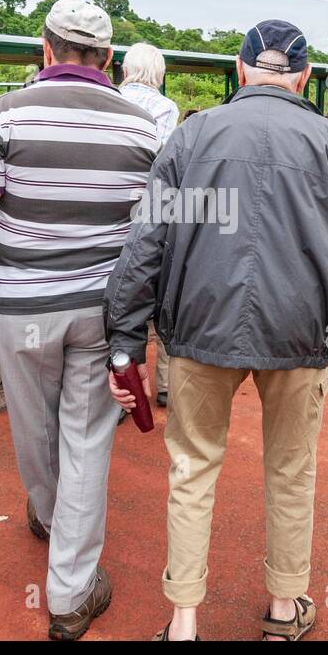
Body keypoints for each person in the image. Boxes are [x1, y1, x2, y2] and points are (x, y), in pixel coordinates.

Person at [105, 18, 328, 642]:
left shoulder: (193, 134)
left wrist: (125, 341)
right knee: (291, 470)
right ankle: (284, 611)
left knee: (192, 468)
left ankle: (183, 623)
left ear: (240, 71)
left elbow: (145, 246)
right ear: (304, 77)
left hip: (200, 326)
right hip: (300, 332)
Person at [0, 0, 158, 641]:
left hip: (21, 306)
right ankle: (70, 593)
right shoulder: (144, 128)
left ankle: (47, 513)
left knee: (32, 422)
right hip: (102, 308)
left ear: (45, 49)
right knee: (89, 434)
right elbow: (153, 232)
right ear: (109, 59)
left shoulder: (2, 115)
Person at [117, 42, 179, 407]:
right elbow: (165, 164)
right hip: (151, 211)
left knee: (121, 301)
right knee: (164, 296)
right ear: (160, 74)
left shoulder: (109, 99)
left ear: (124, 70)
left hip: (110, 217)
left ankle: (122, 386)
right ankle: (167, 384)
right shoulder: (165, 108)